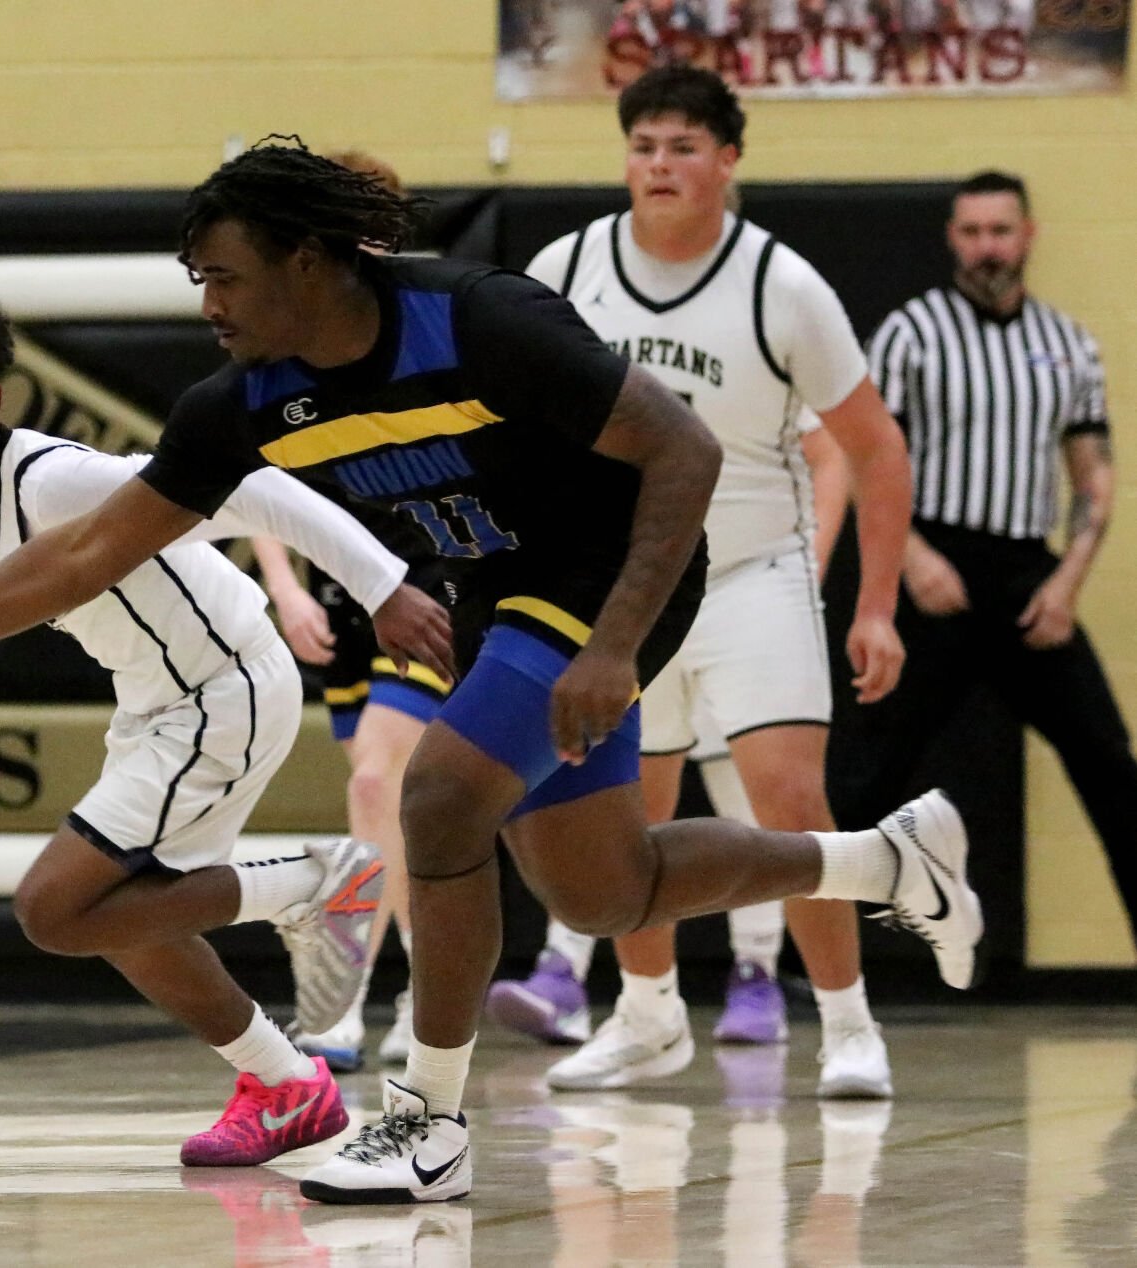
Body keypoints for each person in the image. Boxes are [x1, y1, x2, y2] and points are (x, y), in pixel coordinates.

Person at [0, 142, 981, 1206]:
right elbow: (82, 553)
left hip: (611, 570)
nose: (207, 305)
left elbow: (682, 447)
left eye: (224, 277)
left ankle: (426, 1121)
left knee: (433, 797)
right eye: (196, 282)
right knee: (601, 891)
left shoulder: (478, 318)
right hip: (497, 592)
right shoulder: (235, 402)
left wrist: (615, 644)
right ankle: (887, 856)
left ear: (309, 262)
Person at [0, 283, 450, 1170]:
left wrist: (382, 586)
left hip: (225, 687)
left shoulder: (55, 478)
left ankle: (311, 881)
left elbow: (255, 487)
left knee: (54, 906)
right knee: (120, 919)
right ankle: (285, 1087)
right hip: (158, 706)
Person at [484, 67, 912, 1101]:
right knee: (624, 815)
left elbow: (875, 449)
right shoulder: (566, 266)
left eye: (681, 147)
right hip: (618, 586)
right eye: (642, 146)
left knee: (787, 797)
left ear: (726, 161)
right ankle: (646, 1015)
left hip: (751, 571)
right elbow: (512, 424)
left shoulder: (783, 285)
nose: (658, 165)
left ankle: (848, 1023)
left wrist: (874, 605)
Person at [835, 169, 1136, 938]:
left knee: (1108, 760)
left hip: (1028, 575)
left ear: (1028, 235)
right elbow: (871, 458)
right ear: (951, 239)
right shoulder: (911, 333)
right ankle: (818, 970)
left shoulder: (1066, 344)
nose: (986, 248)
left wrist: (1068, 580)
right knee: (869, 770)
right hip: (932, 564)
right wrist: (912, 558)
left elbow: (1092, 475)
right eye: (971, 233)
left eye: (1000, 231)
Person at [488, 418, 849, 1052]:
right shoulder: (596, 334)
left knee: (753, 797)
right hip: (649, 596)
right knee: (614, 795)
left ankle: (756, 973)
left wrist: (802, 570)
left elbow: (834, 454)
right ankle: (571, 974)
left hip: (742, 593)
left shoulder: (759, 343)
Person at [253, 149, 449, 1073]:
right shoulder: (282, 347)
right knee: (392, 810)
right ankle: (426, 987)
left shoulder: (431, 330)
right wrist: (285, 587)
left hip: (423, 589)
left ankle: (340, 1000)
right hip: (338, 598)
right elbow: (250, 481)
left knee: (377, 788)